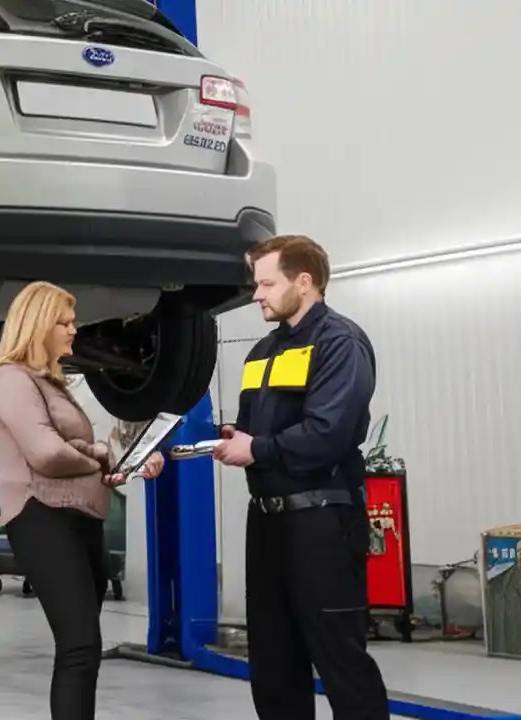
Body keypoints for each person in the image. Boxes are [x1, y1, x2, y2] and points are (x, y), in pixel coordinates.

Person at [213, 235, 390, 720]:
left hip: (322, 521)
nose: (257, 295)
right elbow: (256, 429)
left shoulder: (340, 343)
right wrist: (236, 437)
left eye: (267, 283)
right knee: (273, 661)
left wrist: (259, 448)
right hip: (267, 524)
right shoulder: (262, 353)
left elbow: (328, 433)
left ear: (304, 282)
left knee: (339, 658)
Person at [0, 280, 164, 720]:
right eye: (64, 323)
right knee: (79, 646)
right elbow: (45, 453)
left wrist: (130, 463)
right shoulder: (11, 378)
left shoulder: (51, 383)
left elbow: (73, 454)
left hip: (81, 520)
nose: (72, 331)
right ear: (38, 326)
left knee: (84, 647)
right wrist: (101, 456)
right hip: (44, 516)